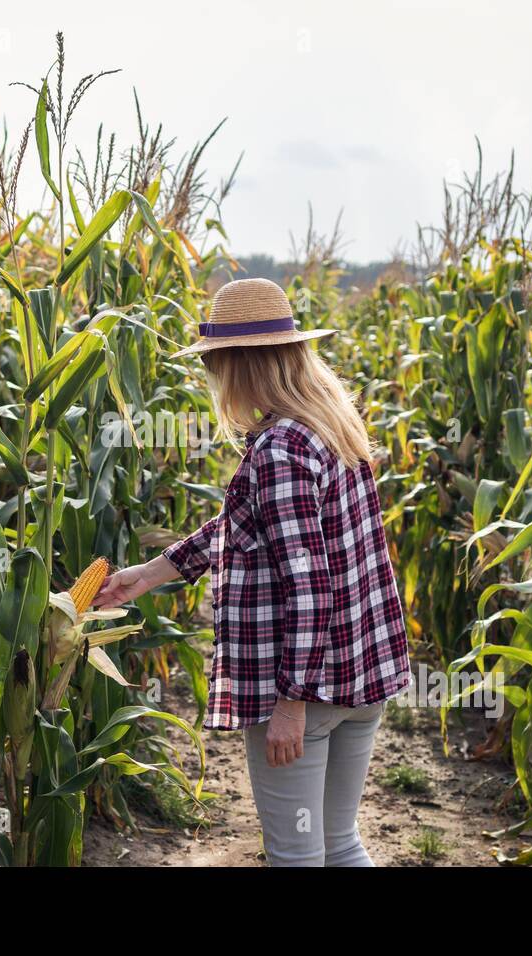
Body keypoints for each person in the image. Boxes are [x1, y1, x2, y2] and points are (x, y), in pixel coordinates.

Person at [95, 277, 411, 867]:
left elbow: (309, 585)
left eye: (217, 365)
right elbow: (256, 531)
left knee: (295, 855)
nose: (216, 381)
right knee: (340, 844)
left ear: (242, 364)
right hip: (358, 676)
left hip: (303, 688)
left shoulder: (279, 450)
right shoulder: (330, 425)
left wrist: (290, 702)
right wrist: (155, 572)